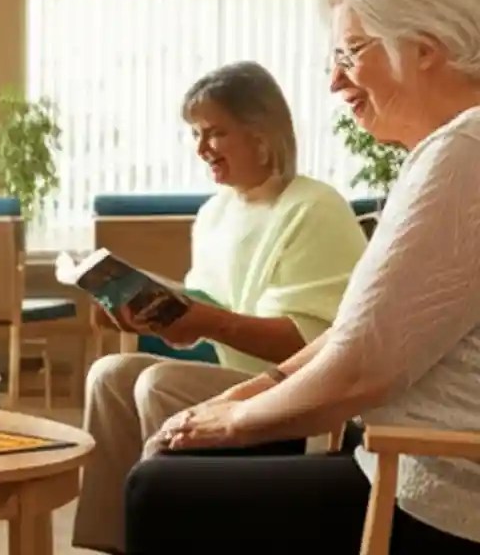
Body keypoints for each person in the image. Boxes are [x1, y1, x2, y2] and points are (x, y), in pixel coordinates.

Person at [125, 0, 480, 554]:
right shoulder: (449, 150)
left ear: (424, 47)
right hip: (395, 464)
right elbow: (355, 332)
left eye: (351, 54)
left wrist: (228, 421)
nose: (336, 84)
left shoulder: (464, 152)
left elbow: (360, 368)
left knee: (162, 489)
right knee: (174, 464)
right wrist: (244, 394)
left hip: (435, 494)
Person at [72, 61, 369, 554]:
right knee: (110, 373)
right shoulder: (214, 213)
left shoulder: (315, 207)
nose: (201, 148)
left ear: (260, 132)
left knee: (159, 383)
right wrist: (150, 313)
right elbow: (202, 317)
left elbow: (315, 342)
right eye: (195, 134)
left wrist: (207, 320)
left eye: (214, 132)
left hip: (294, 390)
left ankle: (173, 537)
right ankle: (113, 544)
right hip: (235, 373)